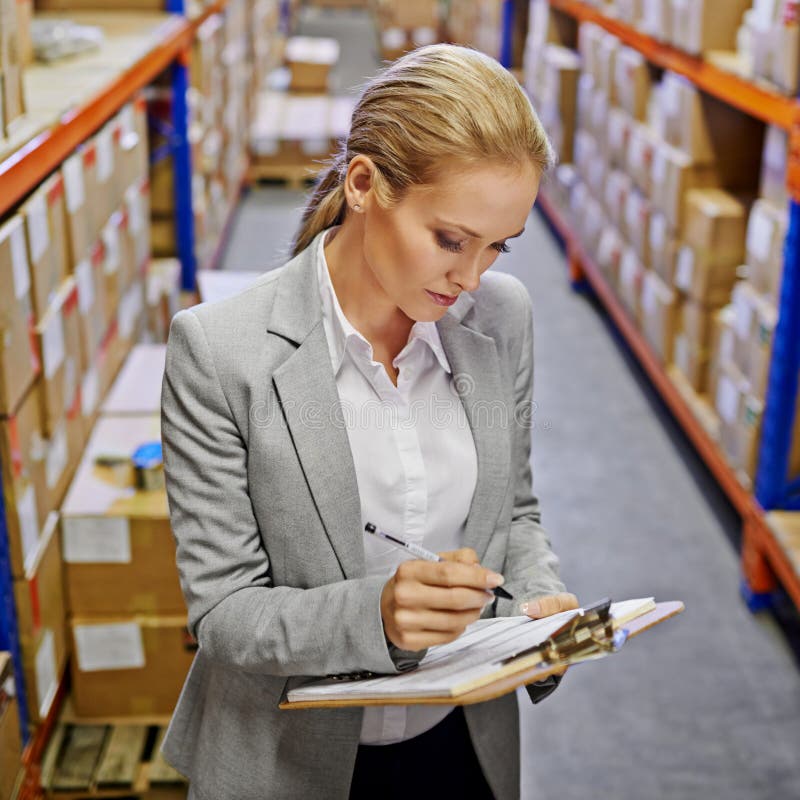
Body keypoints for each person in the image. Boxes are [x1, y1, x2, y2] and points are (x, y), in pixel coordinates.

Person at [160, 43, 578, 800]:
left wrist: (537, 601)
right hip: (288, 757)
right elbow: (225, 614)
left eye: (497, 247)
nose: (471, 277)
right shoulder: (221, 353)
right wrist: (377, 615)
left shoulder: (500, 318)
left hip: (459, 743)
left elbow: (512, 512)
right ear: (363, 184)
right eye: (451, 239)